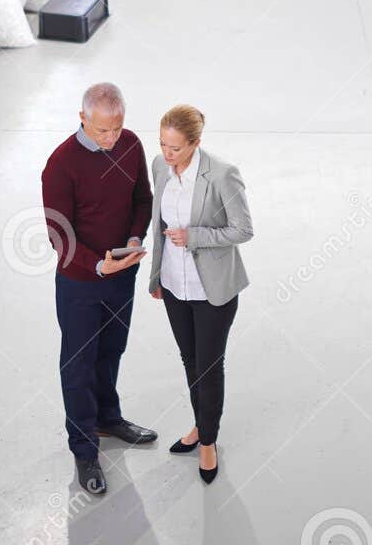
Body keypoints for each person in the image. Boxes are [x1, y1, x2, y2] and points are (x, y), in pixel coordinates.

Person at [42, 82, 158, 496]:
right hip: (79, 283)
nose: (111, 139)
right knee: (78, 364)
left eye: (117, 128)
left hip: (121, 274)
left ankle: (109, 418)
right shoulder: (60, 164)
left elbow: (142, 200)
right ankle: (84, 448)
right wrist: (96, 263)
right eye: (102, 131)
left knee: (112, 350)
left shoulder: (130, 145)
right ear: (82, 119)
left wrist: (131, 239)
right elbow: (58, 235)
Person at [148, 105, 253, 485]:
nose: (167, 153)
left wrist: (195, 236)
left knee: (209, 367)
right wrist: (157, 274)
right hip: (175, 285)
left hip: (212, 289)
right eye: (162, 144)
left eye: (175, 147)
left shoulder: (222, 175)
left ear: (195, 143)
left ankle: (207, 441)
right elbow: (158, 222)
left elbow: (242, 230)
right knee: (189, 360)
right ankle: (199, 423)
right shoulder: (160, 166)